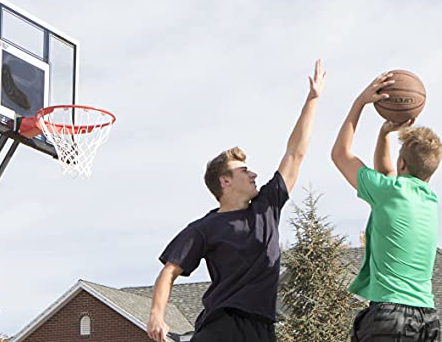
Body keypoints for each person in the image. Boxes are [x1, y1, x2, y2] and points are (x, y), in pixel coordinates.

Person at [146, 60, 325, 342]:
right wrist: (157, 314)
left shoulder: (266, 207)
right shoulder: (204, 228)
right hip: (222, 326)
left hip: (262, 328)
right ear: (225, 181)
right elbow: (169, 271)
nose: (253, 173)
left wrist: (312, 99)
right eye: (244, 170)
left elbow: (295, 153)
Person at [331, 72, 442, 341]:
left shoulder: (389, 192)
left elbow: (340, 154)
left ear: (402, 164)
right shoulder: (428, 200)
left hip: (391, 318)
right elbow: (388, 173)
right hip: (427, 319)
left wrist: (360, 102)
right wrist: (384, 134)